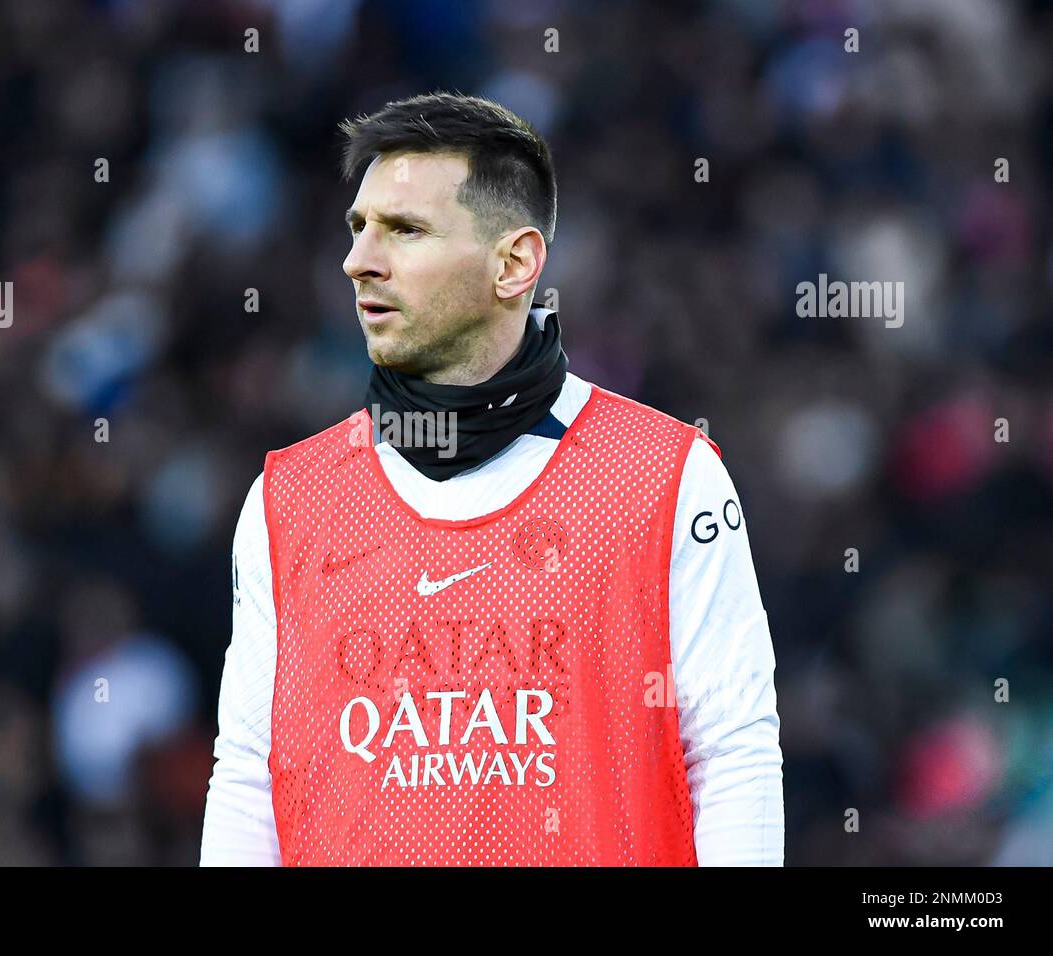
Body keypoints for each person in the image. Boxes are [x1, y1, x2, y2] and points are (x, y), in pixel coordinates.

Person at [200, 92, 783, 866]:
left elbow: (733, 755)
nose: (359, 260)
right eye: (359, 227)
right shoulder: (288, 500)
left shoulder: (667, 477)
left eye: (404, 230)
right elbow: (248, 777)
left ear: (514, 264)